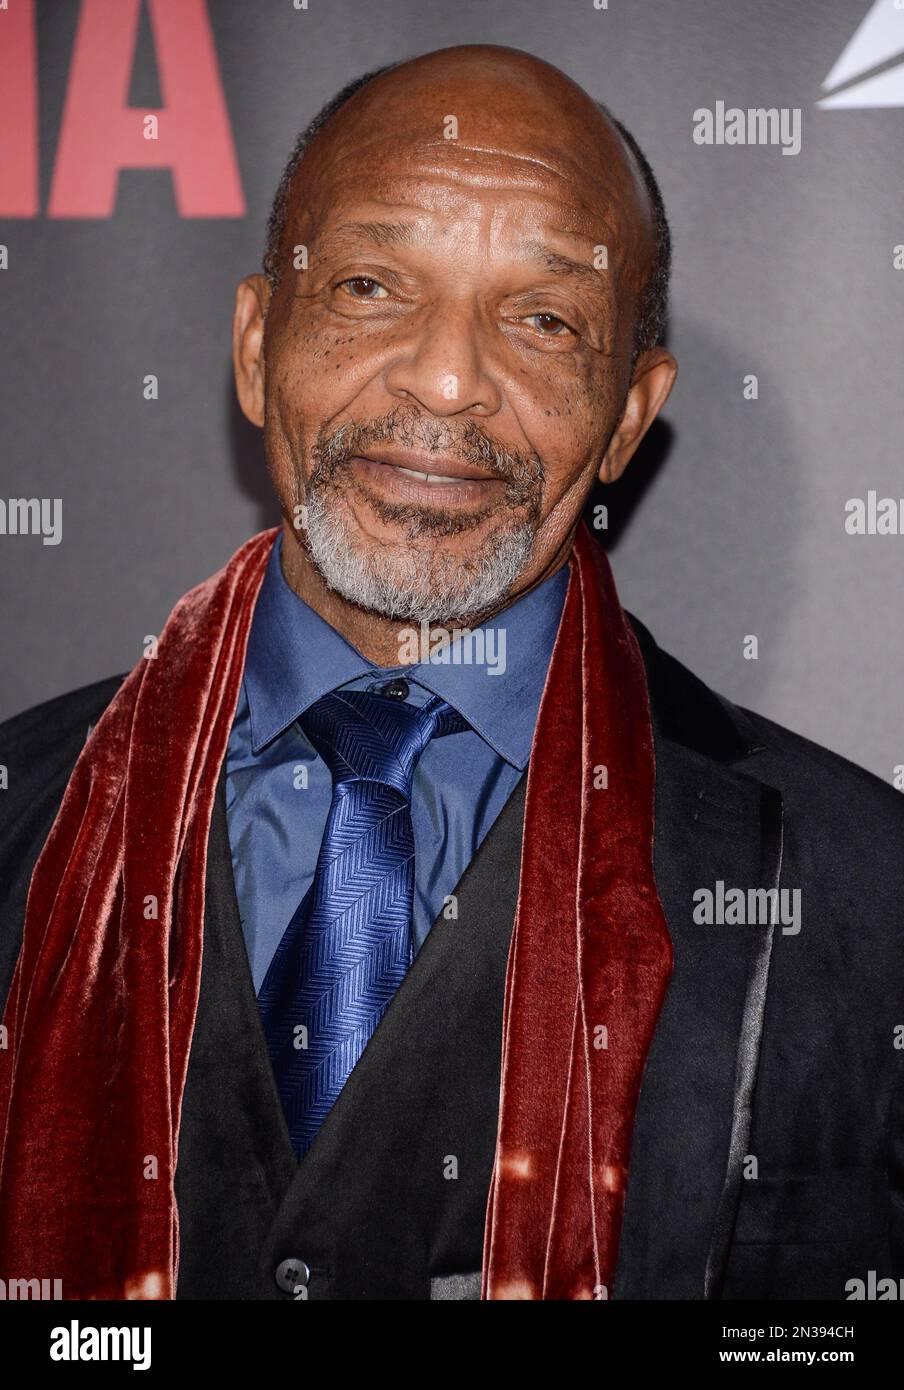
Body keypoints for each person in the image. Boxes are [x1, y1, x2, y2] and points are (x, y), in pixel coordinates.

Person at [0, 45, 901, 1302]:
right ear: (257, 347)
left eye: (542, 319)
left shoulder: (867, 892)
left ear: (628, 419)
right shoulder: (23, 817)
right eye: (371, 284)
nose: (445, 378)